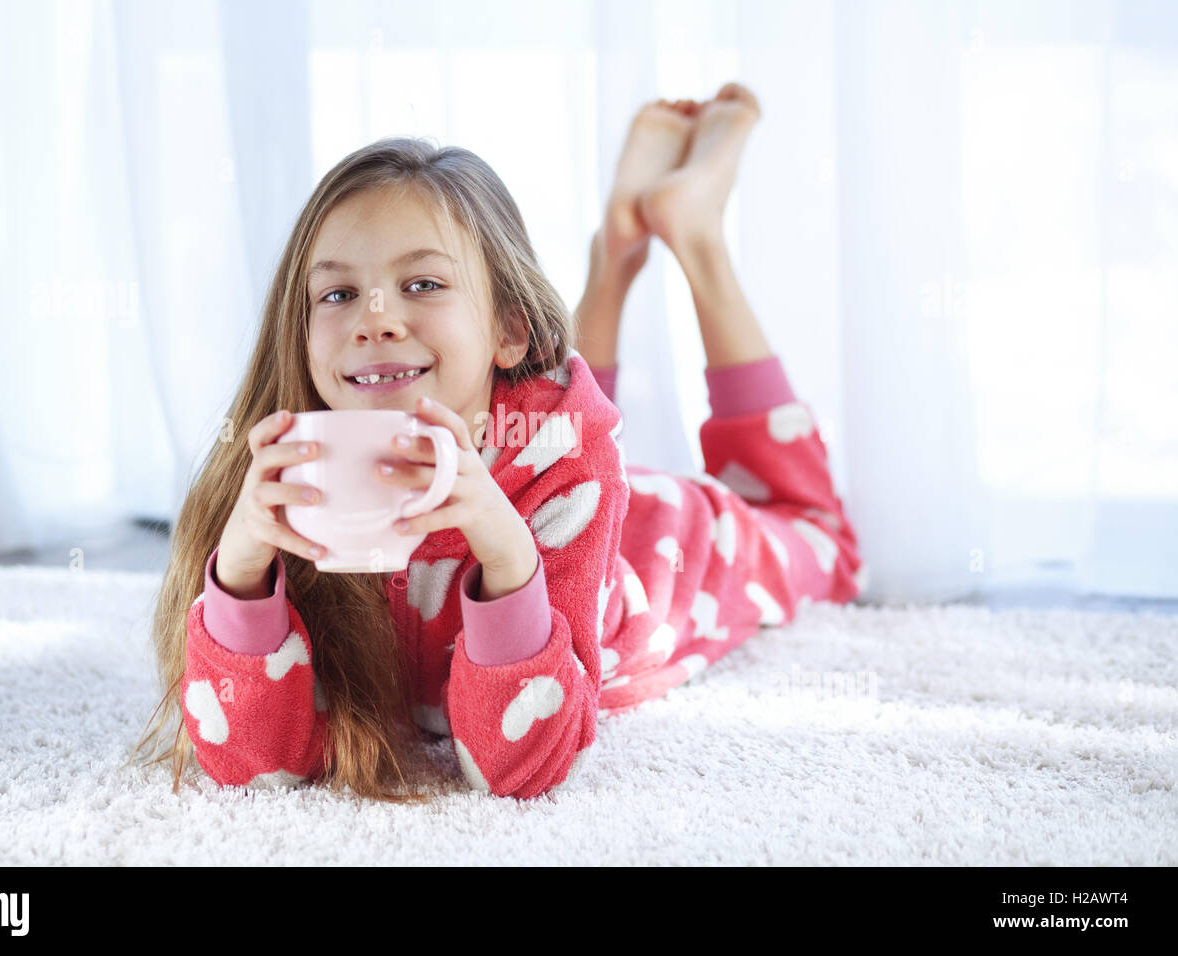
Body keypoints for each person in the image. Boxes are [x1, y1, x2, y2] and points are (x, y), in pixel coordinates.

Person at [129, 82, 866, 803]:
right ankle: (614, 253)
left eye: (421, 285)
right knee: (541, 414)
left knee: (821, 537)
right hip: (554, 457)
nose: (374, 319)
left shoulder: (571, 465)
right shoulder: (285, 477)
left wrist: (506, 552)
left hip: (664, 541)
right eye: (338, 293)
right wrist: (244, 576)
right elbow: (259, 768)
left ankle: (696, 237)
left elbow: (519, 769)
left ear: (512, 327)